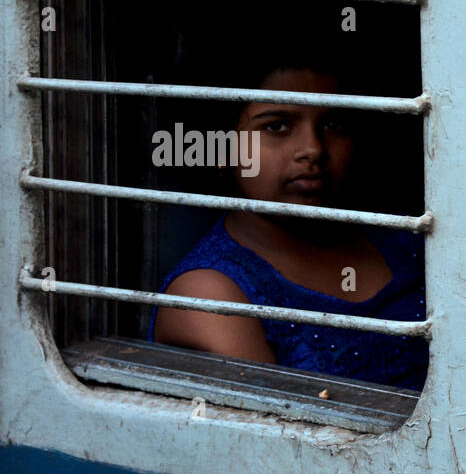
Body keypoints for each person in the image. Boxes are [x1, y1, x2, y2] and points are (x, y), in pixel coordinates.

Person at [148, 49, 427, 391]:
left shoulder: (403, 237)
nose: (313, 149)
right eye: (277, 126)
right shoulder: (211, 296)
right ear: (221, 150)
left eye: (332, 124)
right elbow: (277, 435)